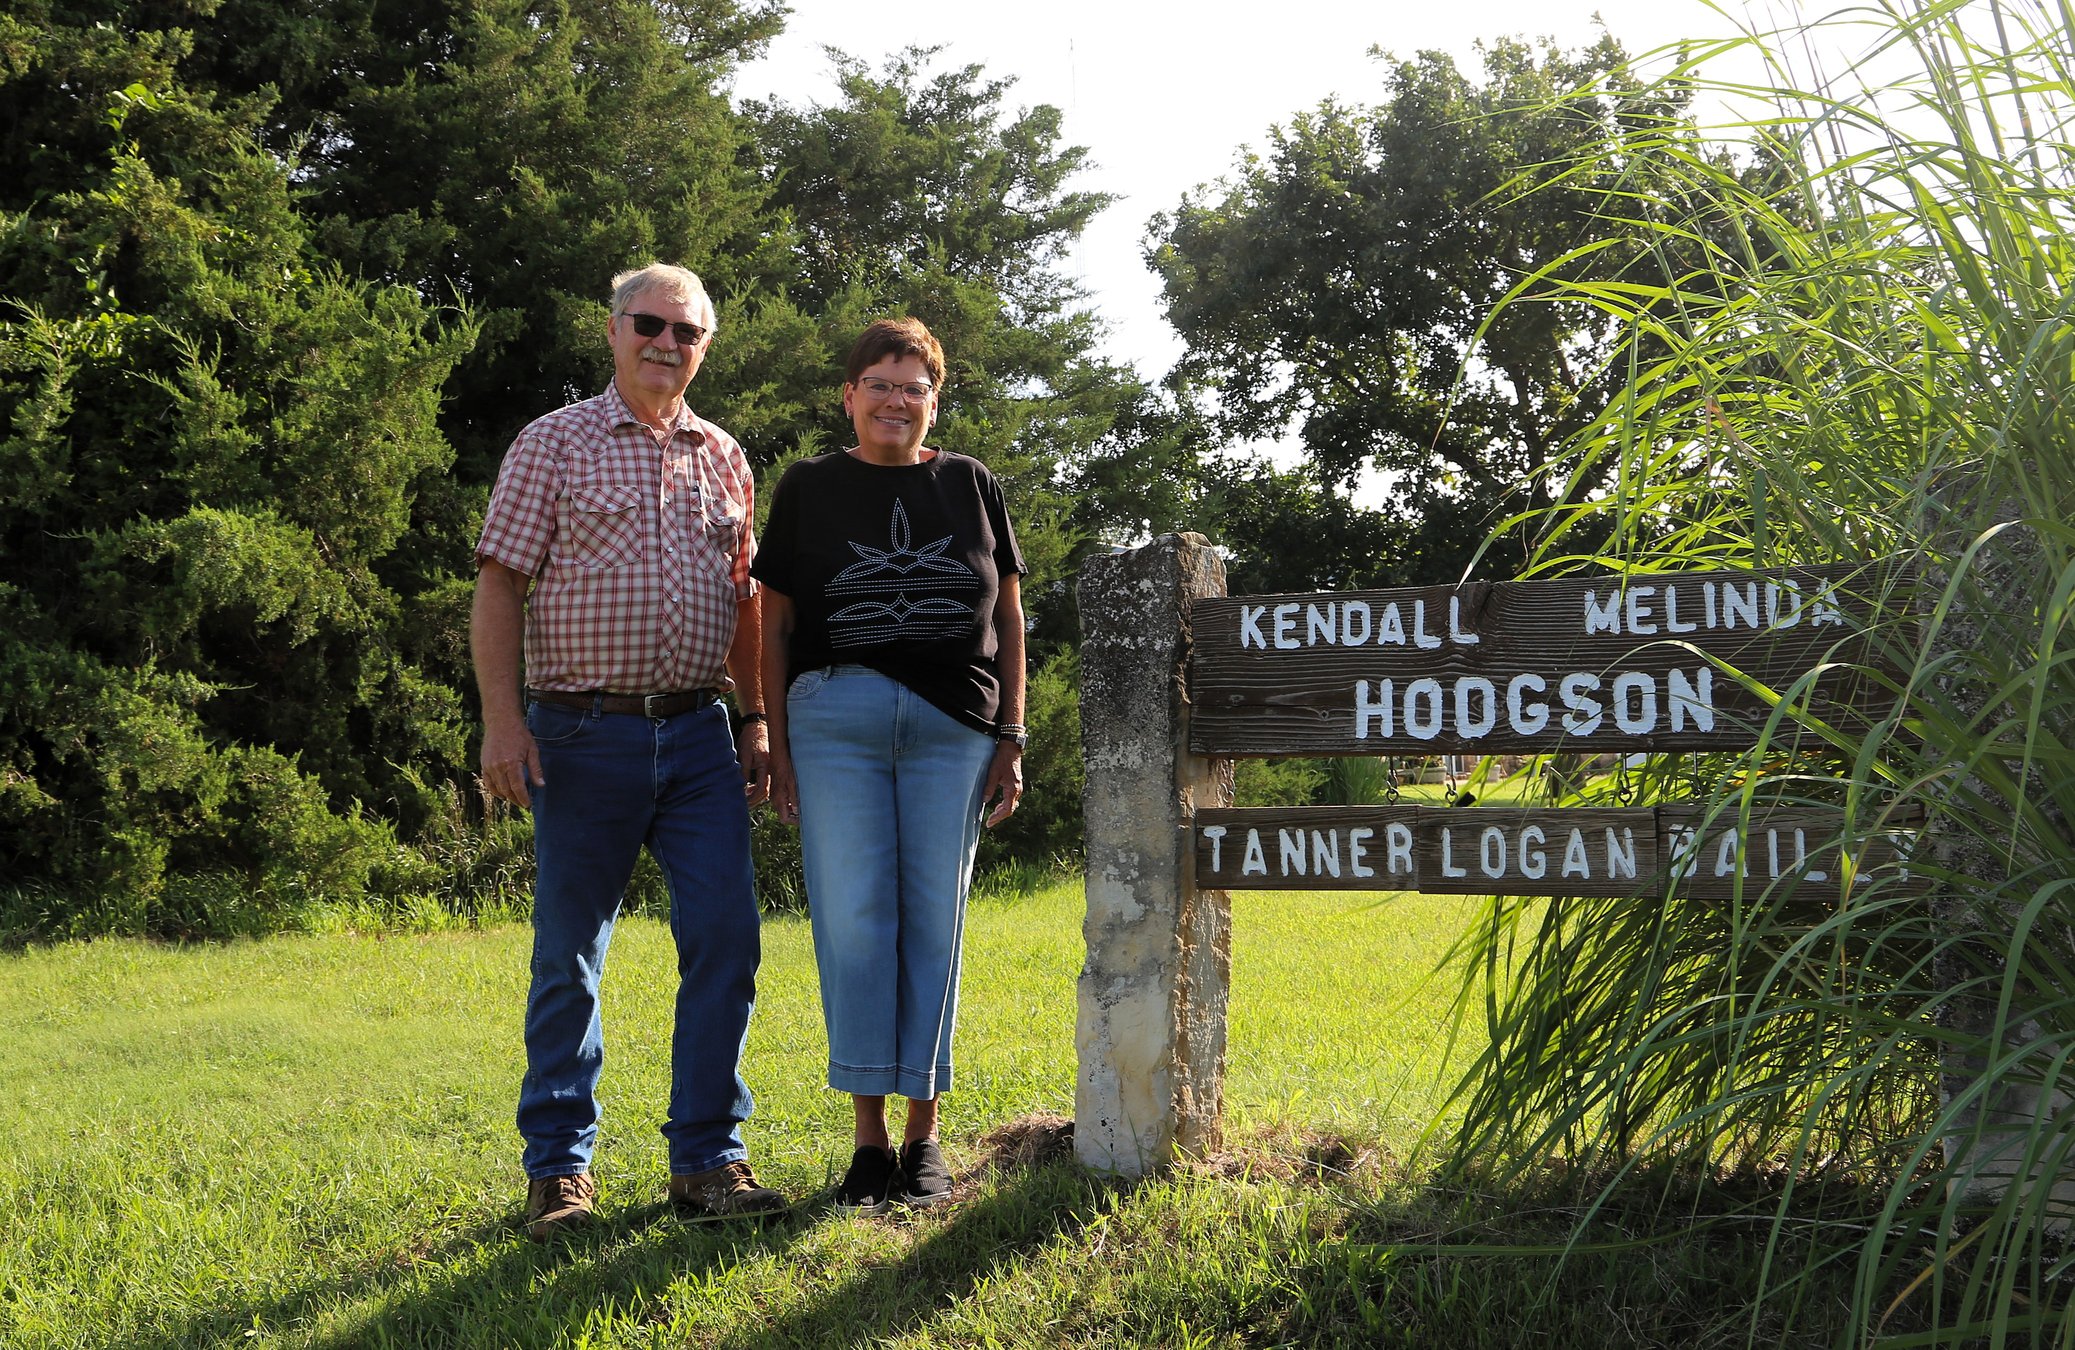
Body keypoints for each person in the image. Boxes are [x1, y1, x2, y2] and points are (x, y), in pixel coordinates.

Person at [471, 262, 785, 1239]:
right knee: (569, 956)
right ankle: (558, 1174)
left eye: (685, 332)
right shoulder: (551, 444)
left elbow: (744, 606)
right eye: (648, 324)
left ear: (705, 346)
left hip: (697, 733)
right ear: (613, 331)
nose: (665, 343)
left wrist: (753, 719)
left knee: (727, 942)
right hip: (577, 731)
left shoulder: (725, 457)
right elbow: (498, 586)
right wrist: (501, 720)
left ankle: (706, 1162)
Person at [754, 317, 1028, 1214]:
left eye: (914, 387)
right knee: (854, 921)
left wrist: (1012, 736)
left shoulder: (972, 485)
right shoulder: (808, 487)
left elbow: (1011, 620)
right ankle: (867, 1145)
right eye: (879, 382)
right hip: (836, 720)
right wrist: (778, 745)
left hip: (956, 728)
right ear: (849, 394)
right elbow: (776, 621)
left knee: (933, 925)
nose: (895, 401)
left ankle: (924, 1139)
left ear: (934, 400)